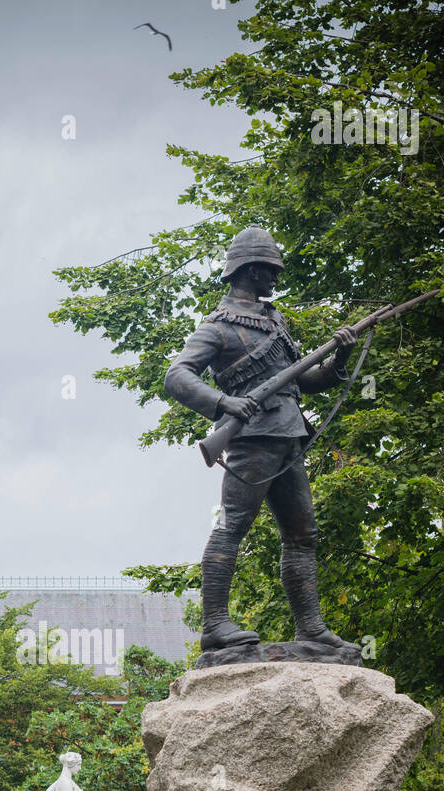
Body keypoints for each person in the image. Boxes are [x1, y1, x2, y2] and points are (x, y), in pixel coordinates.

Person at [164, 225, 360, 657]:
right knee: (231, 526)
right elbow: (176, 376)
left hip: (289, 437)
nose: (275, 277)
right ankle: (215, 625)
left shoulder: (275, 321)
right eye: (270, 270)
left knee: (302, 535)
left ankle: (311, 629)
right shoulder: (218, 327)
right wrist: (223, 403)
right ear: (250, 269)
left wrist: (341, 354)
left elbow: (305, 382)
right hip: (252, 440)